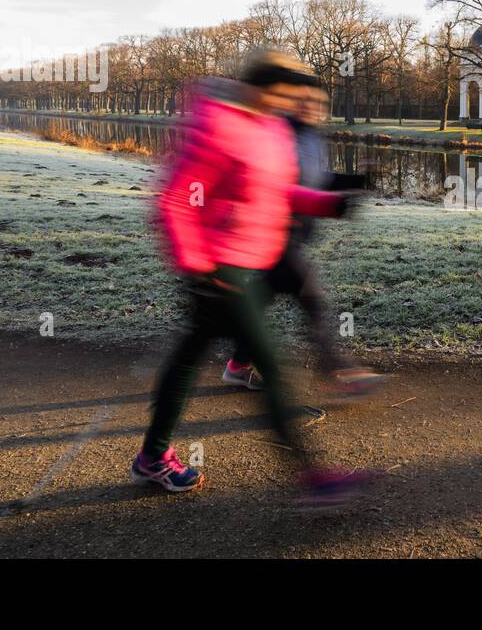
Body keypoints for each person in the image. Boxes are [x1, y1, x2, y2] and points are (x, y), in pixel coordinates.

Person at [131, 50, 371, 504]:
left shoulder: (271, 127)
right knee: (274, 366)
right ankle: (314, 476)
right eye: (282, 94)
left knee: (186, 359)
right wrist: (199, 267)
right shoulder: (218, 126)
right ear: (260, 88)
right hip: (222, 270)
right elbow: (176, 201)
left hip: (252, 261)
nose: (290, 105)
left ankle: (152, 458)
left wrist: (328, 204)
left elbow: (276, 192)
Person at [219, 83, 387, 402]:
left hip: (289, 239)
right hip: (278, 235)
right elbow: (277, 183)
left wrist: (360, 180)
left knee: (262, 300)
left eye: (317, 102)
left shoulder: (311, 136)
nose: (311, 106)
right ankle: (337, 375)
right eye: (304, 101)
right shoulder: (281, 133)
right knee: (313, 300)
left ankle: (237, 365)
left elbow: (318, 179)